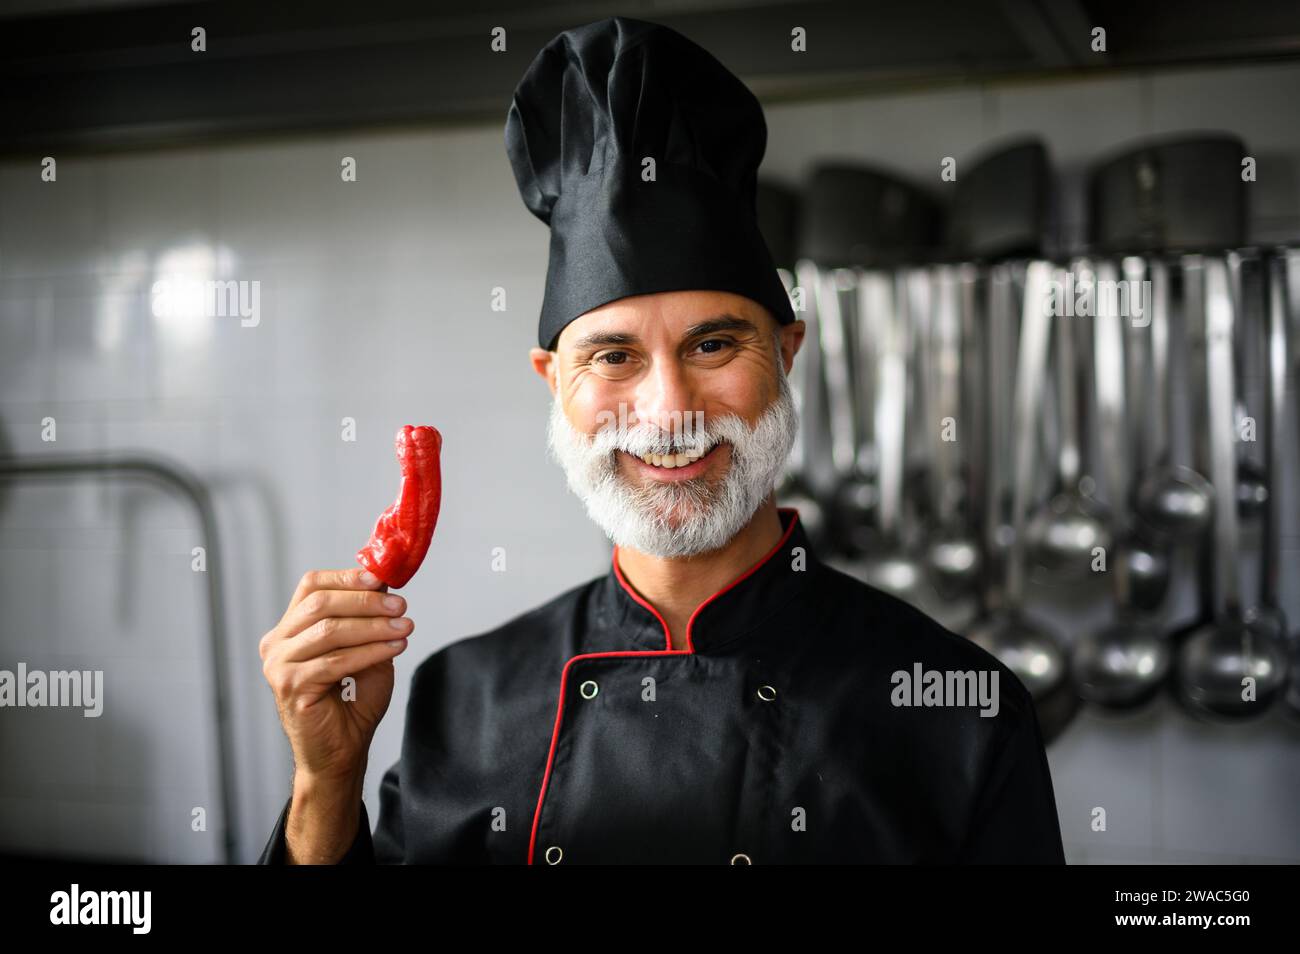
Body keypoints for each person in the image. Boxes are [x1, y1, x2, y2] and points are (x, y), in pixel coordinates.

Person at [256, 15, 1066, 865]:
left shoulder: (959, 710)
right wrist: (327, 783)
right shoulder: (461, 701)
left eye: (713, 346)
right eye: (613, 356)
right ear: (554, 383)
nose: (668, 407)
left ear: (785, 358)